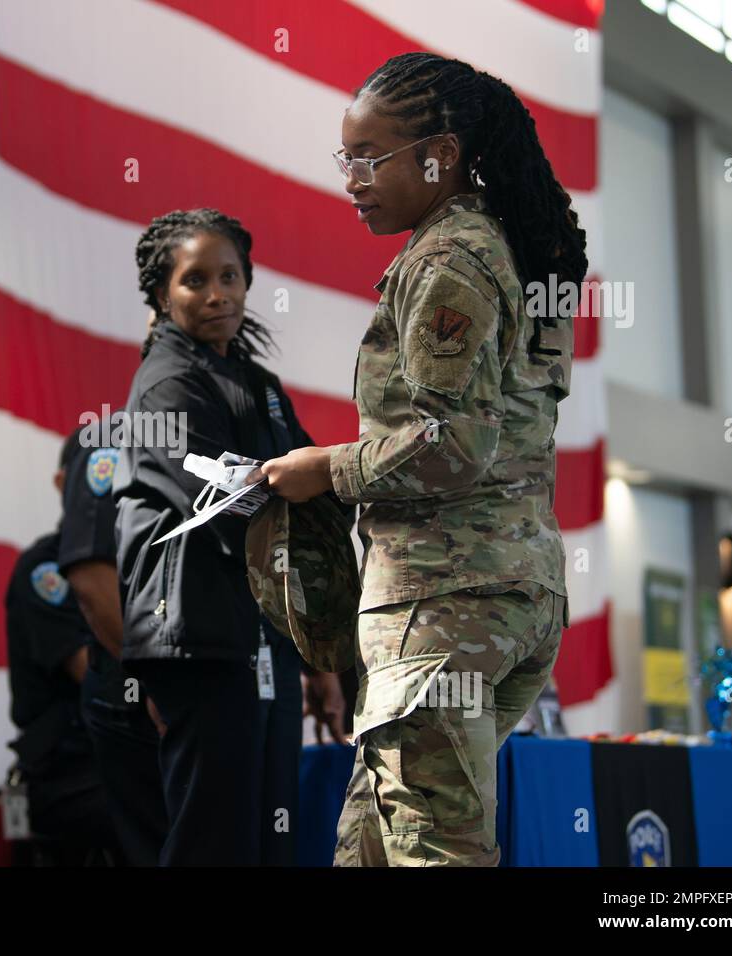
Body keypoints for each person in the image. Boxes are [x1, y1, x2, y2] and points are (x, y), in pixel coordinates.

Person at [257, 52, 581, 866]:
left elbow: (453, 446)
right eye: (347, 159)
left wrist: (324, 467)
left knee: (434, 853)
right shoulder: (507, 247)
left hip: (445, 606)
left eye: (370, 158)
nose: (352, 178)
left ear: (440, 154)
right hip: (508, 594)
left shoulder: (448, 263)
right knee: (369, 847)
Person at [113, 208, 346, 866]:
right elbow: (230, 497)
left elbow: (317, 502)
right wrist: (311, 476)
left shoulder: (259, 384)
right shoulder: (165, 385)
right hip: (200, 645)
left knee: (271, 835)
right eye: (195, 281)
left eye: (229, 276)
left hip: (264, 635)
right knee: (215, 841)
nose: (217, 294)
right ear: (163, 294)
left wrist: (319, 655)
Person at [4, 431, 120, 863]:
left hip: (109, 765)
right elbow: (91, 671)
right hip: (68, 772)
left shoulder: (131, 563)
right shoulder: (44, 570)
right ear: (62, 484)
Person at [58, 431, 168, 866]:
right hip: (132, 703)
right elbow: (91, 584)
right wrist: (157, 678)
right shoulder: (112, 444)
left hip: (184, 693)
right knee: (161, 846)